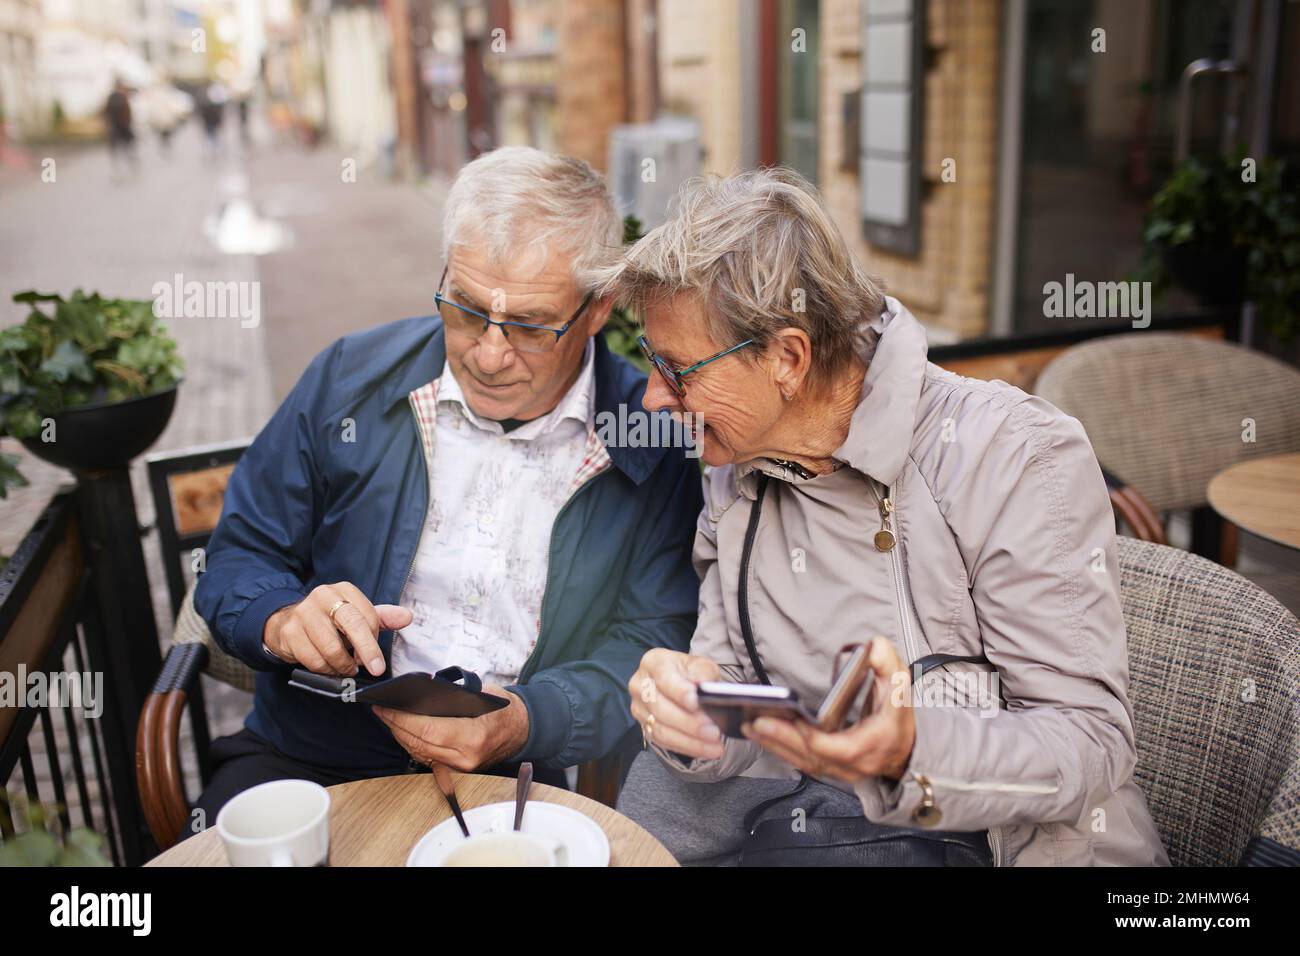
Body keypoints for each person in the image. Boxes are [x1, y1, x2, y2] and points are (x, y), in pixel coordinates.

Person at [599, 167, 1169, 866]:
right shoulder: (737, 465)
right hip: (801, 818)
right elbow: (746, 695)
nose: (655, 400)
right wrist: (697, 714)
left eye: (677, 369)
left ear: (788, 356)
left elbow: (1089, 741)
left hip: (986, 839)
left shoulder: (1009, 453)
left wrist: (907, 753)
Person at [191, 147, 703, 830]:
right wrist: (284, 619)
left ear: (597, 310)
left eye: (528, 326)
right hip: (308, 751)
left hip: (514, 777)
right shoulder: (348, 377)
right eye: (464, 310)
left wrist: (525, 720)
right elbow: (236, 559)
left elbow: (652, 642)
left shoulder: (651, 435)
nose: (489, 355)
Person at [104, 80, 136, 178]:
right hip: (122, 127)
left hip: (115, 127)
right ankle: (126, 166)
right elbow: (128, 113)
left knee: (116, 149)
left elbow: (106, 111)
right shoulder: (123, 98)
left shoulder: (111, 98)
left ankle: (118, 169)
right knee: (126, 147)